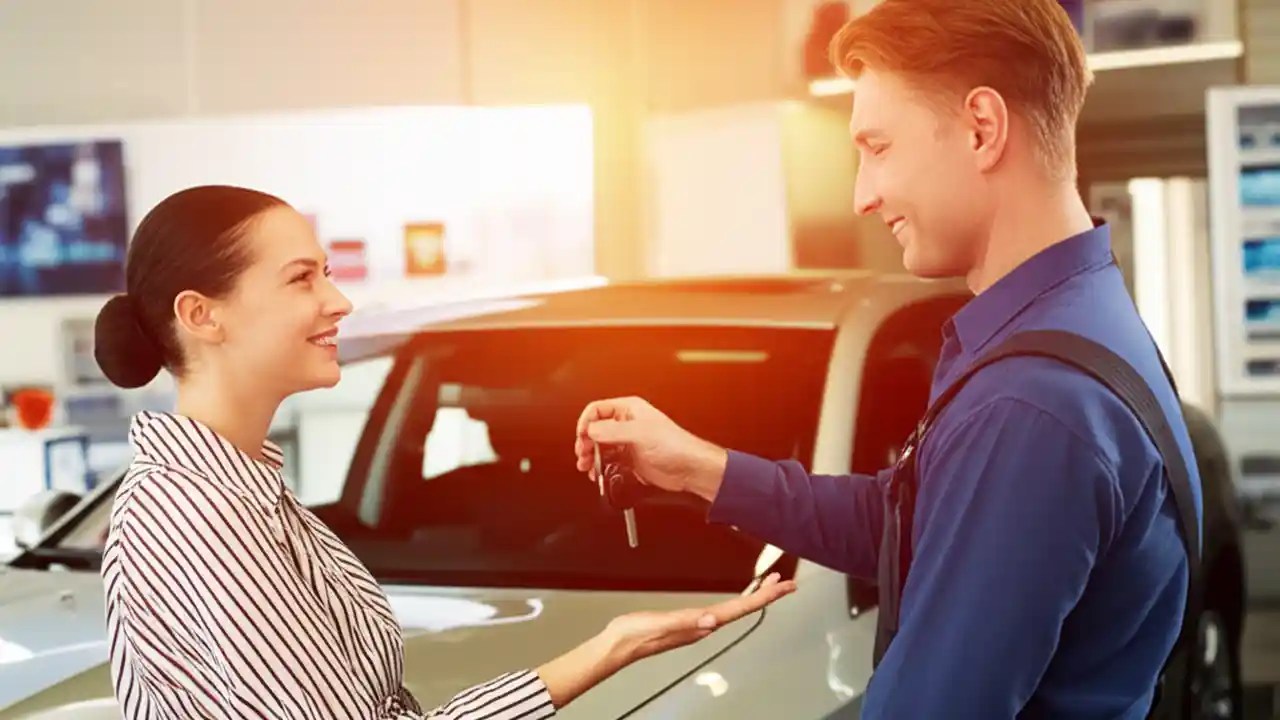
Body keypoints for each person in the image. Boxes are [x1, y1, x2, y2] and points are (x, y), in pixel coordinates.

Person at [573, 1, 1202, 717]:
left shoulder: (1030, 406)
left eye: (878, 147)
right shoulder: (1082, 320)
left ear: (981, 129)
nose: (863, 195)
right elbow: (920, 522)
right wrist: (698, 468)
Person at [93, 184, 796, 719]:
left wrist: (613, 644)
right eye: (302, 278)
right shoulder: (195, 516)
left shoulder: (244, 495)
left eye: (327, 272)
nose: (339, 301)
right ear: (200, 315)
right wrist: (605, 651)